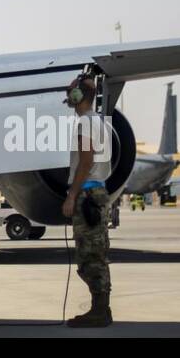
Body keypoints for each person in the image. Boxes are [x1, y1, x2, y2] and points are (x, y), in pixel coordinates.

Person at [61, 72, 113, 328]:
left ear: (78, 96)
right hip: (97, 192)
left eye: (70, 92)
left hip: (87, 194)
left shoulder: (85, 123)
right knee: (96, 252)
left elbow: (87, 160)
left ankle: (99, 311)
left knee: (90, 255)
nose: (68, 97)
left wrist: (72, 196)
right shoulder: (98, 121)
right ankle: (101, 309)